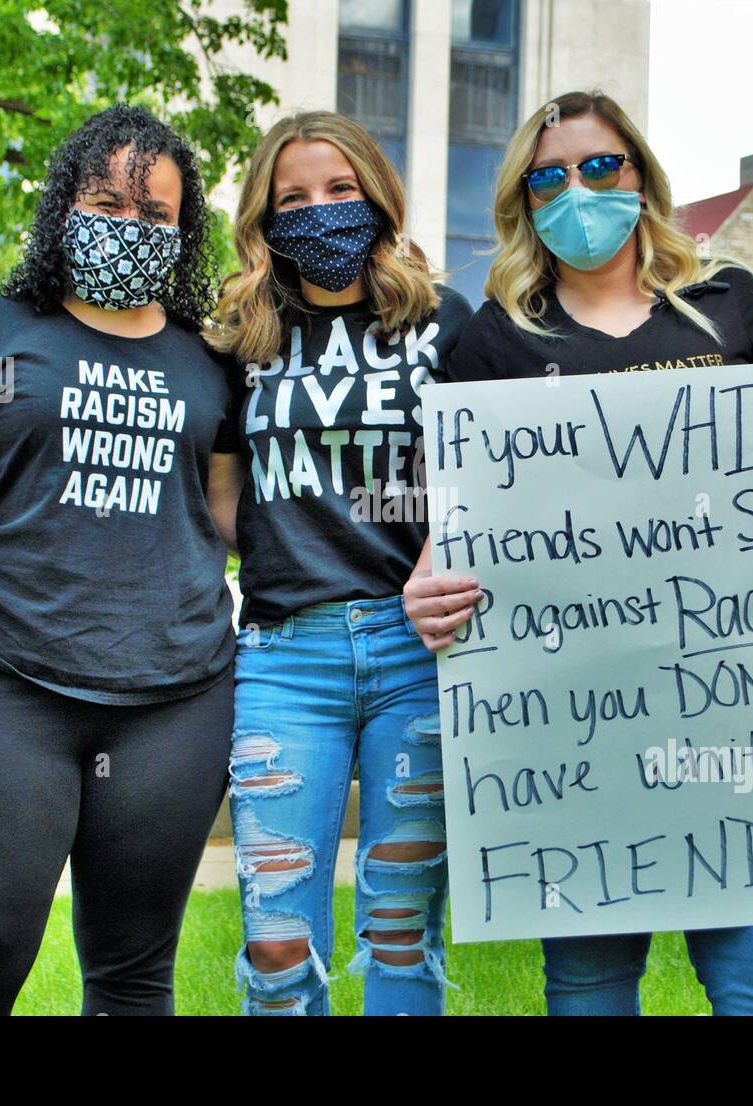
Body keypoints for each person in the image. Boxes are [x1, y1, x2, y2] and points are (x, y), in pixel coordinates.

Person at [405, 89, 753, 1017]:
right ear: (524, 200)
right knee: (588, 990)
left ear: (641, 175)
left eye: (602, 167)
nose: (579, 190)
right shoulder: (495, 341)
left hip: (744, 736)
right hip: (575, 742)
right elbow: (457, 520)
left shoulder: (735, 306)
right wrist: (426, 589)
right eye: (549, 177)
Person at [0, 106, 239, 1014]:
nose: (129, 226)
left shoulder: (211, 360)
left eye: (154, 214)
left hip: (177, 698)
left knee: (133, 975)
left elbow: (230, 517)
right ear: (64, 208)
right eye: (104, 202)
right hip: (6, 686)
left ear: (182, 228)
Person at [205, 111, 474, 1016]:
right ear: (264, 218)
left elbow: (489, 474)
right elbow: (219, 499)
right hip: (284, 660)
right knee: (277, 944)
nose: (318, 209)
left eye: (339, 189)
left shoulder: (445, 324)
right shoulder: (238, 339)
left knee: (401, 933)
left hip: (418, 657)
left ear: (378, 198)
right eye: (293, 196)